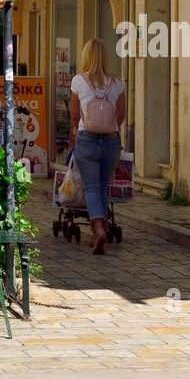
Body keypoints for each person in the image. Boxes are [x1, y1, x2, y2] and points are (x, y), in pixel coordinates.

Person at [69, 38, 126, 255]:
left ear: (86, 57)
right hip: (111, 141)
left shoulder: (78, 81)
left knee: (91, 187)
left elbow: (74, 115)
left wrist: (74, 132)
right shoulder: (117, 83)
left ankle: (99, 229)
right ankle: (102, 227)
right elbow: (121, 114)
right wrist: (109, 128)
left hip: (87, 139)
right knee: (102, 186)